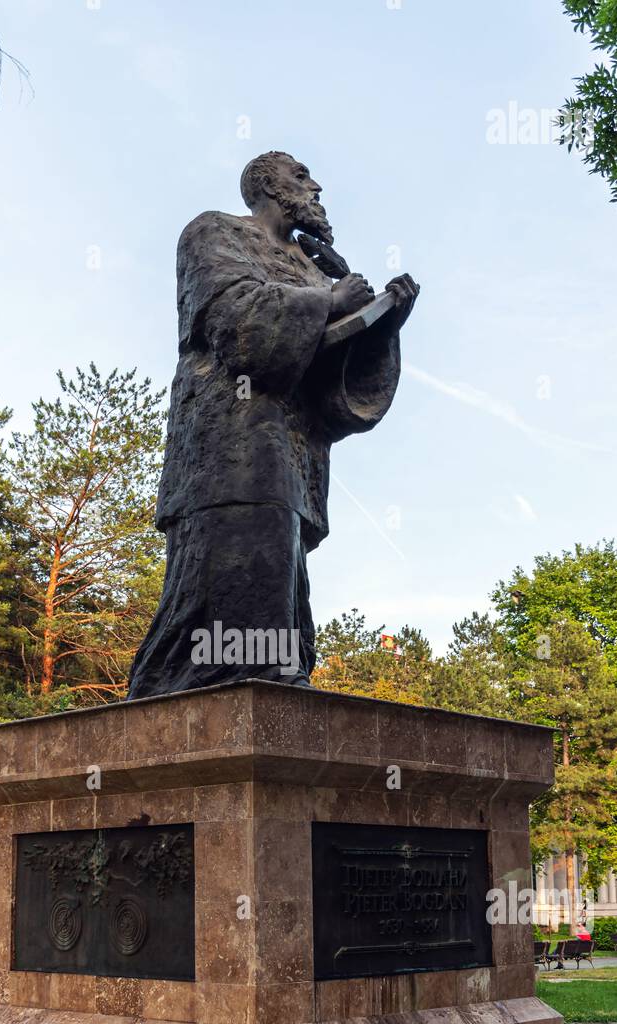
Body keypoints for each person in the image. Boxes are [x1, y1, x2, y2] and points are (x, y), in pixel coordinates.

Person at [127, 151, 419, 698]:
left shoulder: (311, 264)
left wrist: (381, 324)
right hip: (228, 431)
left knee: (279, 562)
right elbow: (238, 324)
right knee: (240, 544)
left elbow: (332, 387)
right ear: (265, 184)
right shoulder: (214, 231)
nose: (316, 186)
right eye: (301, 176)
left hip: (292, 448)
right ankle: (225, 682)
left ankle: (264, 678)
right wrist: (329, 299)